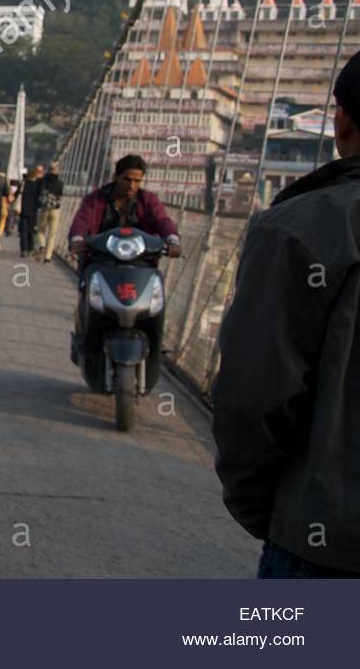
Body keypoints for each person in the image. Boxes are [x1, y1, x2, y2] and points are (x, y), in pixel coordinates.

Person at [212, 50, 360, 578]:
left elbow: (252, 395)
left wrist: (263, 509)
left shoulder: (299, 228)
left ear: (340, 121)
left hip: (323, 544)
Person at [68, 154, 181, 265]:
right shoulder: (96, 199)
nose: (132, 186)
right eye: (127, 180)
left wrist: (173, 239)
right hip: (101, 260)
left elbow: (162, 219)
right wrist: (77, 239)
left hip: (139, 263)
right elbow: (82, 220)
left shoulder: (148, 200)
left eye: (137, 181)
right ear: (116, 176)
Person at [36, 161, 64, 263]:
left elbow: (38, 193)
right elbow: (60, 196)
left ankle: (42, 245)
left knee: (40, 231)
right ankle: (48, 257)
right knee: (52, 235)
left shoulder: (42, 181)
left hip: (44, 209)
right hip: (55, 210)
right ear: (57, 170)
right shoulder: (60, 182)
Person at [19, 165, 43, 257]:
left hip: (24, 210)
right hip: (33, 211)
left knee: (23, 231)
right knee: (31, 230)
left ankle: (23, 249)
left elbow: (18, 193)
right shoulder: (38, 184)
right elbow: (40, 196)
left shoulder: (24, 183)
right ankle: (30, 248)